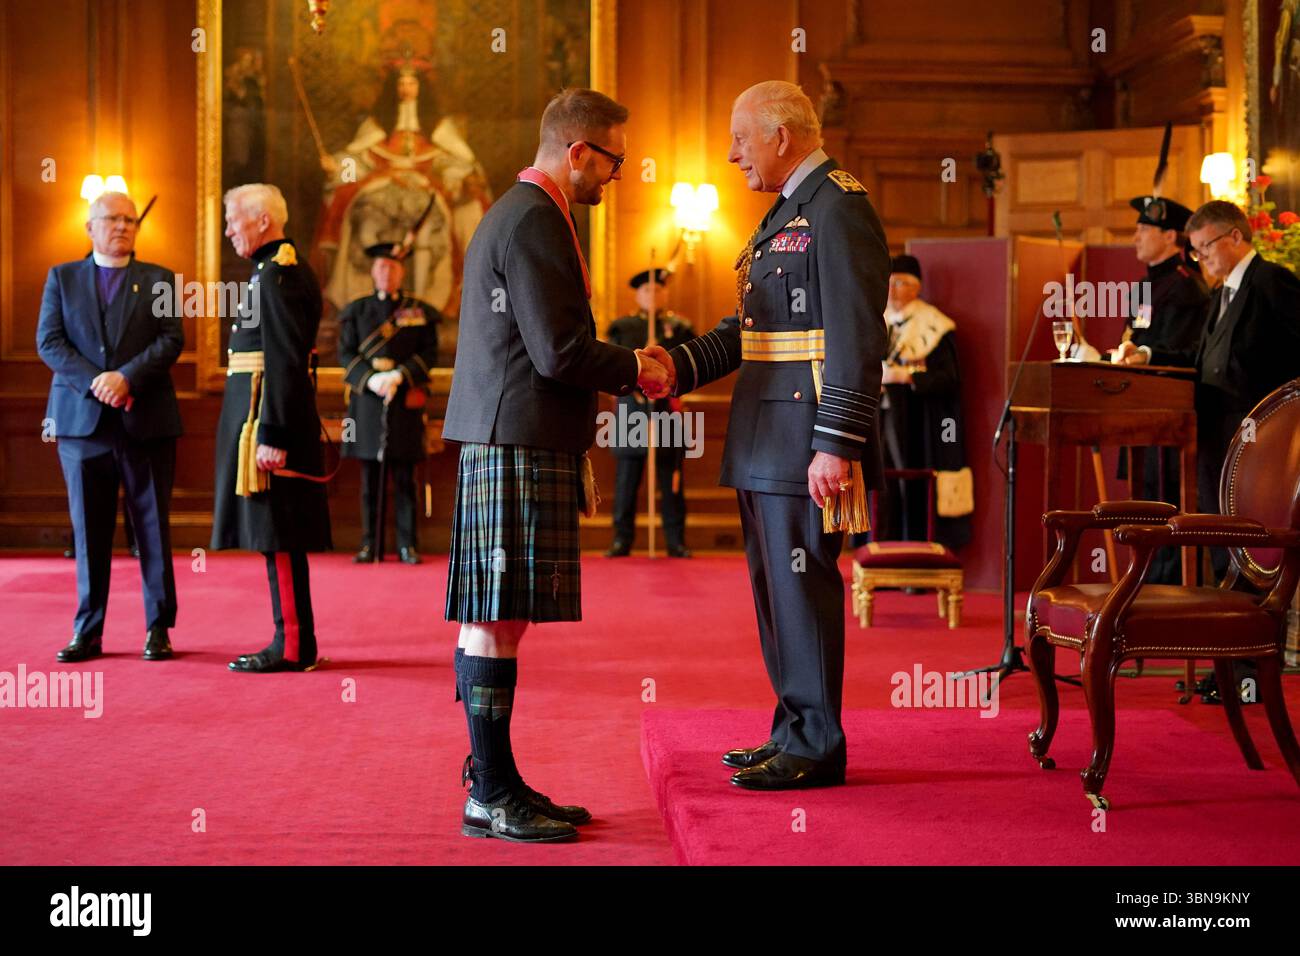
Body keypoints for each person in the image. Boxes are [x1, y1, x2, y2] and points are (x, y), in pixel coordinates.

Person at [644, 80, 889, 789]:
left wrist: (836, 442)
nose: (730, 155)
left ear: (782, 136)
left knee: (802, 588)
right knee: (774, 594)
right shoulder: (788, 212)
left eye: (740, 139)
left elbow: (856, 334)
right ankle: (791, 728)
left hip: (804, 438)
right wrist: (675, 367)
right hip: (762, 437)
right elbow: (750, 333)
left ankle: (817, 746)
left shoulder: (839, 209)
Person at [443, 88, 670, 842]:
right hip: (516, 438)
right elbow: (559, 352)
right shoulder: (535, 218)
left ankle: (498, 780)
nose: (616, 175)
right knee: (493, 622)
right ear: (578, 153)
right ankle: (490, 793)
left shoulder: (526, 212)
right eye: (613, 161)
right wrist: (640, 365)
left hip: (515, 435)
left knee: (499, 622)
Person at [1117, 199, 1300, 703]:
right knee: (1229, 556)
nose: (1201, 260)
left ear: (1235, 238)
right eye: (1195, 252)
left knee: (1255, 559)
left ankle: (1248, 672)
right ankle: (1228, 668)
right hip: (1221, 446)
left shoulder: (1270, 283)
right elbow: (1205, 364)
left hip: (1263, 449)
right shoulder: (1223, 294)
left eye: (1205, 249)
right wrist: (1151, 354)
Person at [36, 191, 183, 663]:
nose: (121, 226)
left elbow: (171, 340)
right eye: (111, 219)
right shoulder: (63, 277)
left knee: (152, 529)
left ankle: (158, 628)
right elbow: (49, 341)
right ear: (89, 226)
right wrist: (97, 382)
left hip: (146, 420)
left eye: (129, 219)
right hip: (83, 425)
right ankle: (88, 630)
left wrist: (127, 378)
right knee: (89, 531)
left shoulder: (159, 279)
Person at [212, 183, 333, 673]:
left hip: (268, 425)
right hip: (262, 421)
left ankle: (293, 645)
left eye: (233, 220)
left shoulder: (278, 274)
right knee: (273, 535)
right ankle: (291, 640)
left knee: (279, 535)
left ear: (263, 220)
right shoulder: (268, 271)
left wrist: (273, 436)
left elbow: (283, 360)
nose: (228, 230)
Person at [1116, 195, 1209, 583]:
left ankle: (1165, 593)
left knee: (1167, 507)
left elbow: (1181, 356)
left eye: (1144, 229)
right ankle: (1142, 586)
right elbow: (1133, 336)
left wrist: (1145, 355)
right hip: (1139, 411)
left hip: (1168, 417)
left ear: (1171, 236)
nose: (1136, 237)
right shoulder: (1145, 285)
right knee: (1144, 506)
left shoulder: (1186, 286)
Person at [338, 242, 440, 564]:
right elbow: (345, 353)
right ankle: (370, 544)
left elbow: (429, 353)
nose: (387, 273)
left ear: (402, 272)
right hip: (368, 402)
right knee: (369, 479)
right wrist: (371, 379)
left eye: (393, 268)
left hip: (403, 401)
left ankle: (408, 545)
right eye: (382, 267)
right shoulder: (356, 311)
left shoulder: (417, 311)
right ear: (373, 271)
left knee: (405, 477)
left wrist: (400, 375)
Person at [876, 253, 971, 551]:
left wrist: (907, 378)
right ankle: (881, 555)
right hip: (878, 414)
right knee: (882, 483)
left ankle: (912, 556)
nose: (891, 289)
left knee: (911, 483)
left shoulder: (936, 326)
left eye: (900, 283)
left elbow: (949, 378)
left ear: (915, 287)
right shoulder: (878, 321)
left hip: (916, 421)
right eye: (888, 283)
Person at [604, 268, 696, 558]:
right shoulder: (622, 327)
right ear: (638, 294)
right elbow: (611, 368)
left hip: (668, 411)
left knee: (672, 481)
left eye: (658, 290)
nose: (653, 295)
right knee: (627, 479)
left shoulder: (679, 327)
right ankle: (622, 539)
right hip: (633, 411)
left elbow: (690, 367)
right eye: (647, 291)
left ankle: (675, 540)